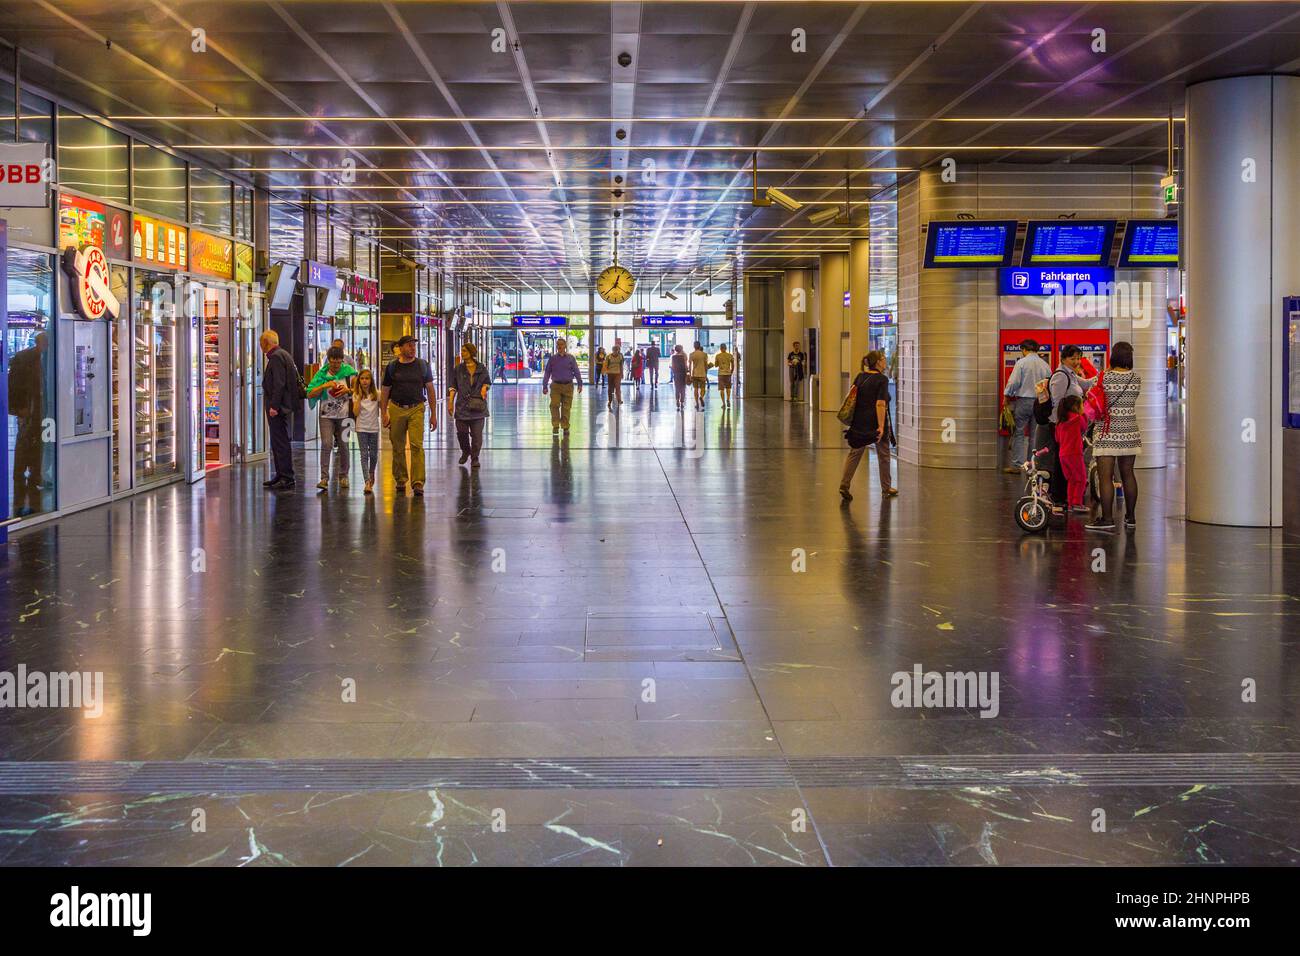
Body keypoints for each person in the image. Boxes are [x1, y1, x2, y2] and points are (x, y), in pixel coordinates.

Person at [1087, 341, 1142, 534]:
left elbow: (1090, 397)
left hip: (1106, 432)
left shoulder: (1103, 377)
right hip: (1129, 431)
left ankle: (1107, 519)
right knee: (1128, 474)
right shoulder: (1136, 378)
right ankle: (1131, 517)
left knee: (1105, 477)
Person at [1039, 345, 1096, 514]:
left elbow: (1086, 384)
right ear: (1063, 359)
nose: (1076, 361)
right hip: (1062, 425)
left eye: (1078, 358)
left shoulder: (1071, 374)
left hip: (1068, 425)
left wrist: (1103, 375)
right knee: (1061, 461)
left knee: (1064, 460)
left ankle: (1067, 498)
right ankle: (1059, 497)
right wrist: (1065, 424)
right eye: (1072, 358)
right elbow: (1057, 403)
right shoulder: (1061, 376)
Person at [380, 334, 437, 497]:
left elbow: (430, 390)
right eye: (409, 345)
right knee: (397, 446)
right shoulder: (392, 367)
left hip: (416, 408)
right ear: (401, 348)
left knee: (416, 445)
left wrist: (433, 414)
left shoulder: (423, 365)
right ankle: (400, 479)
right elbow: (385, 391)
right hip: (396, 407)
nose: (413, 348)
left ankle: (418, 482)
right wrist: (383, 413)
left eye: (414, 345)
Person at [840, 350, 897, 501]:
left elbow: (852, 396)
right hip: (874, 422)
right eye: (883, 359)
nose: (885, 361)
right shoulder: (882, 379)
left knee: (855, 453)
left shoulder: (860, 377)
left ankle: (844, 484)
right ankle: (886, 487)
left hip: (859, 422)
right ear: (878, 362)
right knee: (884, 455)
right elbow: (880, 404)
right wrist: (881, 426)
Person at [306, 346, 357, 491]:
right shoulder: (321, 374)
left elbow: (361, 390)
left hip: (345, 415)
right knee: (326, 444)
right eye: (333, 362)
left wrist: (348, 390)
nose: (335, 365)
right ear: (328, 360)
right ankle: (324, 478)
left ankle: (344, 475)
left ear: (342, 360)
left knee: (344, 444)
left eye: (338, 362)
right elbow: (309, 393)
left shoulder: (350, 373)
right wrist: (325, 385)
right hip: (326, 415)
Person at [260, 329, 300, 490]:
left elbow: (279, 383)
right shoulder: (283, 354)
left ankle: (286, 476)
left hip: (278, 407)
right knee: (279, 440)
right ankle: (281, 474)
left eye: (261, 343)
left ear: (266, 343)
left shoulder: (276, 357)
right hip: (283, 405)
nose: (260, 346)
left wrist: (274, 406)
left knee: (280, 441)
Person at [1002, 339, 1050, 473]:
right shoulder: (1045, 364)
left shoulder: (1021, 363)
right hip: (1040, 402)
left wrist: (1006, 396)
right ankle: (1031, 465)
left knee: (1019, 433)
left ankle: (1017, 465)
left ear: (1024, 349)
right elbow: (1049, 383)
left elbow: (1013, 382)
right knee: (1035, 435)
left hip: (1023, 401)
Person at [1046, 392, 1098, 515]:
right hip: (1074, 453)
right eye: (1081, 405)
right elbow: (1084, 427)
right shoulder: (1078, 419)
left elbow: (1057, 439)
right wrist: (1084, 414)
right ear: (1076, 407)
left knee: (1071, 480)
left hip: (1063, 455)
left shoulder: (1060, 422)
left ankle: (1070, 503)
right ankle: (1077, 503)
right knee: (1081, 479)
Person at [449, 342, 491, 468]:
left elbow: (487, 382)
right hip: (462, 407)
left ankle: (475, 458)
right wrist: (450, 402)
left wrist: (484, 388)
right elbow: (453, 386)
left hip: (478, 407)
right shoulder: (458, 369)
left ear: (471, 352)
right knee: (462, 433)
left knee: (477, 436)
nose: (462, 353)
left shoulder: (481, 368)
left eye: (465, 351)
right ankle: (466, 451)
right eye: (462, 351)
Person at [542, 337, 583, 435]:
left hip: (568, 386)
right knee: (554, 406)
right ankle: (555, 426)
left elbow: (576, 371)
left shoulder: (571, 358)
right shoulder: (553, 359)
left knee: (566, 407)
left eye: (561, 344)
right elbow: (547, 372)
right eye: (558, 345)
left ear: (565, 346)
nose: (560, 346)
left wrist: (580, 383)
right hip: (556, 386)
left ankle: (565, 427)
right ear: (556, 347)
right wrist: (544, 385)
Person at [352, 369, 381, 495]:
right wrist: (358, 398)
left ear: (371, 381)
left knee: (373, 455)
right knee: (364, 455)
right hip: (361, 428)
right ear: (359, 380)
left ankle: (371, 472)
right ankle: (367, 482)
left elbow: (383, 408)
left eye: (367, 378)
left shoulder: (377, 394)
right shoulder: (355, 395)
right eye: (362, 378)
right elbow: (355, 412)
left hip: (373, 428)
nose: (364, 381)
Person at [689, 341, 710, 410]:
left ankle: (697, 403)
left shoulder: (691, 354)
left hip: (695, 374)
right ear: (699, 346)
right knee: (703, 388)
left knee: (695, 389)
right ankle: (701, 397)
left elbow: (690, 365)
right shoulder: (704, 354)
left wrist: (690, 374)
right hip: (702, 374)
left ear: (694, 346)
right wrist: (706, 373)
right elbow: (706, 365)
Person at [714, 343, 736, 407]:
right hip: (728, 374)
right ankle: (728, 399)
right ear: (726, 348)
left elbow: (716, 365)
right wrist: (731, 372)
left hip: (721, 374)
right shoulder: (730, 355)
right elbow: (733, 365)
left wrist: (718, 363)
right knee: (728, 388)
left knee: (722, 389)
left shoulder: (718, 356)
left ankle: (723, 403)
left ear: (720, 348)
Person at [604, 344, 624, 409]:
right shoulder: (609, 356)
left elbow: (621, 365)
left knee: (617, 387)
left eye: (617, 350)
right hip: (610, 373)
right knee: (610, 388)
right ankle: (610, 401)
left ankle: (619, 400)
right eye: (614, 350)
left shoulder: (620, 356)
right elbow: (606, 365)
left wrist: (622, 373)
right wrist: (605, 372)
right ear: (612, 350)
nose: (615, 351)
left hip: (617, 373)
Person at [671, 344, 689, 411]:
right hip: (683, 374)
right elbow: (685, 366)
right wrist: (687, 372)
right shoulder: (683, 356)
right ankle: (682, 402)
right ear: (681, 349)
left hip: (676, 374)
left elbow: (672, 366)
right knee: (683, 388)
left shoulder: (673, 356)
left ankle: (677, 401)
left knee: (677, 388)